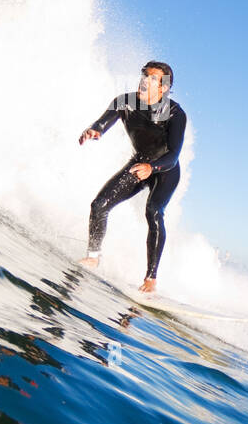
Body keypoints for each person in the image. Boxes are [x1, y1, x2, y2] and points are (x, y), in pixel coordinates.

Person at [77, 61, 187, 293]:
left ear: (164, 87)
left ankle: (150, 279)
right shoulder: (124, 102)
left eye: (153, 79)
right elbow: (103, 121)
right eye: (144, 76)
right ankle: (93, 257)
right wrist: (95, 129)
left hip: (165, 170)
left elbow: (174, 155)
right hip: (139, 164)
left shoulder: (176, 114)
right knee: (99, 205)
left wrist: (152, 168)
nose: (145, 81)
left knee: (153, 212)